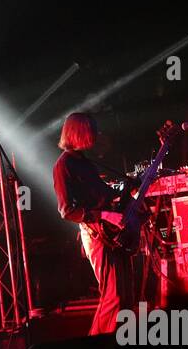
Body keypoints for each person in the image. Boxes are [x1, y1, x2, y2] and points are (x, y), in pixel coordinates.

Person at [52, 113, 133, 336]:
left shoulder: (85, 162)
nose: (96, 135)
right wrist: (105, 216)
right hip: (95, 232)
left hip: (108, 230)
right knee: (113, 295)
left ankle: (97, 346)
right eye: (91, 131)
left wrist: (128, 189)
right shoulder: (64, 165)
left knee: (122, 296)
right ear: (79, 133)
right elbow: (67, 210)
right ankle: (96, 347)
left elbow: (101, 193)